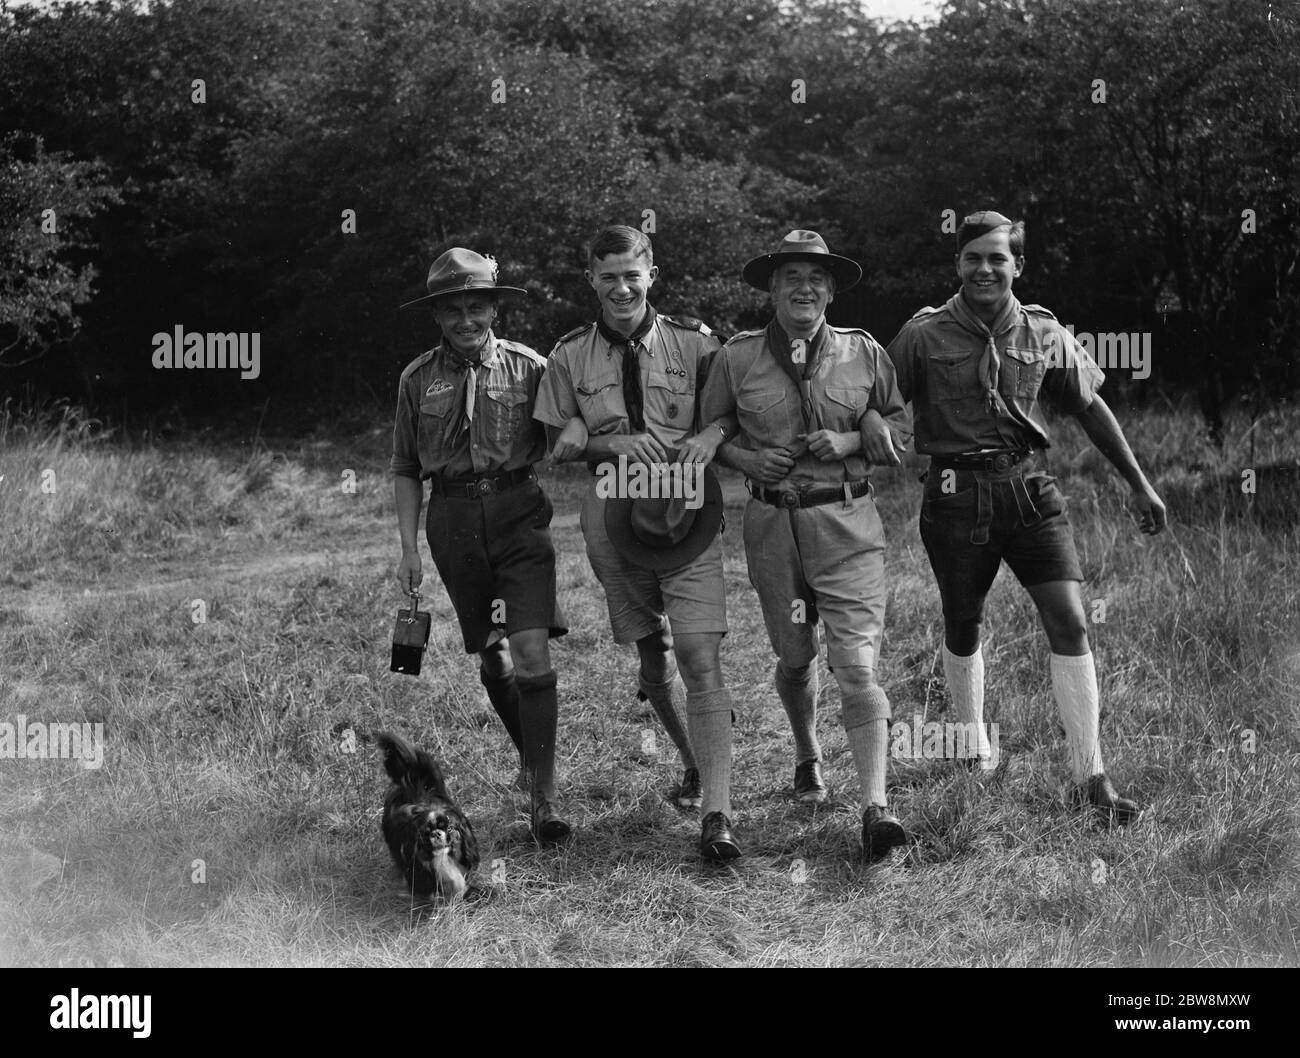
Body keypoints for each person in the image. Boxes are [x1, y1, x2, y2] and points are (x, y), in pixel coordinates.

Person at [885, 210, 1167, 824]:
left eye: (997, 258)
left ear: (1018, 265)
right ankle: (972, 749)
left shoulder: (1044, 332)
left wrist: (1140, 486)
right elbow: (877, 404)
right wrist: (870, 450)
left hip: (1031, 488)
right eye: (972, 258)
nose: (984, 269)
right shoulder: (923, 335)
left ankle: (1090, 776)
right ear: (956, 264)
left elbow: (1090, 408)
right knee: (963, 620)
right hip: (956, 495)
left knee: (1070, 621)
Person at [701, 229, 912, 862]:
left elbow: (901, 421)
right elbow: (711, 432)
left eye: (817, 278)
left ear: (831, 290)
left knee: (856, 664)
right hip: (772, 528)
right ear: (772, 287)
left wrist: (857, 437)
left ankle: (876, 808)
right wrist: (747, 459)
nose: (805, 287)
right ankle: (806, 753)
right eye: (792, 276)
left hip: (848, 524)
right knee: (796, 658)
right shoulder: (735, 359)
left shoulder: (863, 353)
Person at [534, 224, 743, 861]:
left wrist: (712, 437)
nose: (622, 287)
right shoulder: (568, 356)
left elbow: (736, 407)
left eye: (633, 274)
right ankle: (688, 759)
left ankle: (717, 812)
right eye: (608, 277)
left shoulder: (696, 342)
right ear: (590, 280)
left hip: (686, 509)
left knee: (699, 656)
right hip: (611, 516)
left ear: (651, 273)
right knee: (651, 653)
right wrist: (611, 442)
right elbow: (556, 444)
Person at [390, 246, 572, 845]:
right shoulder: (417, 380)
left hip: (520, 514)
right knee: (491, 656)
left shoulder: (531, 368)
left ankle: (543, 798)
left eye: (477, 306)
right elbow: (404, 468)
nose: (466, 320)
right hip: (454, 520)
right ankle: (532, 758)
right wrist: (410, 548)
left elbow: (570, 431)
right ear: (436, 316)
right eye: (452, 310)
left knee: (531, 653)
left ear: (495, 307)